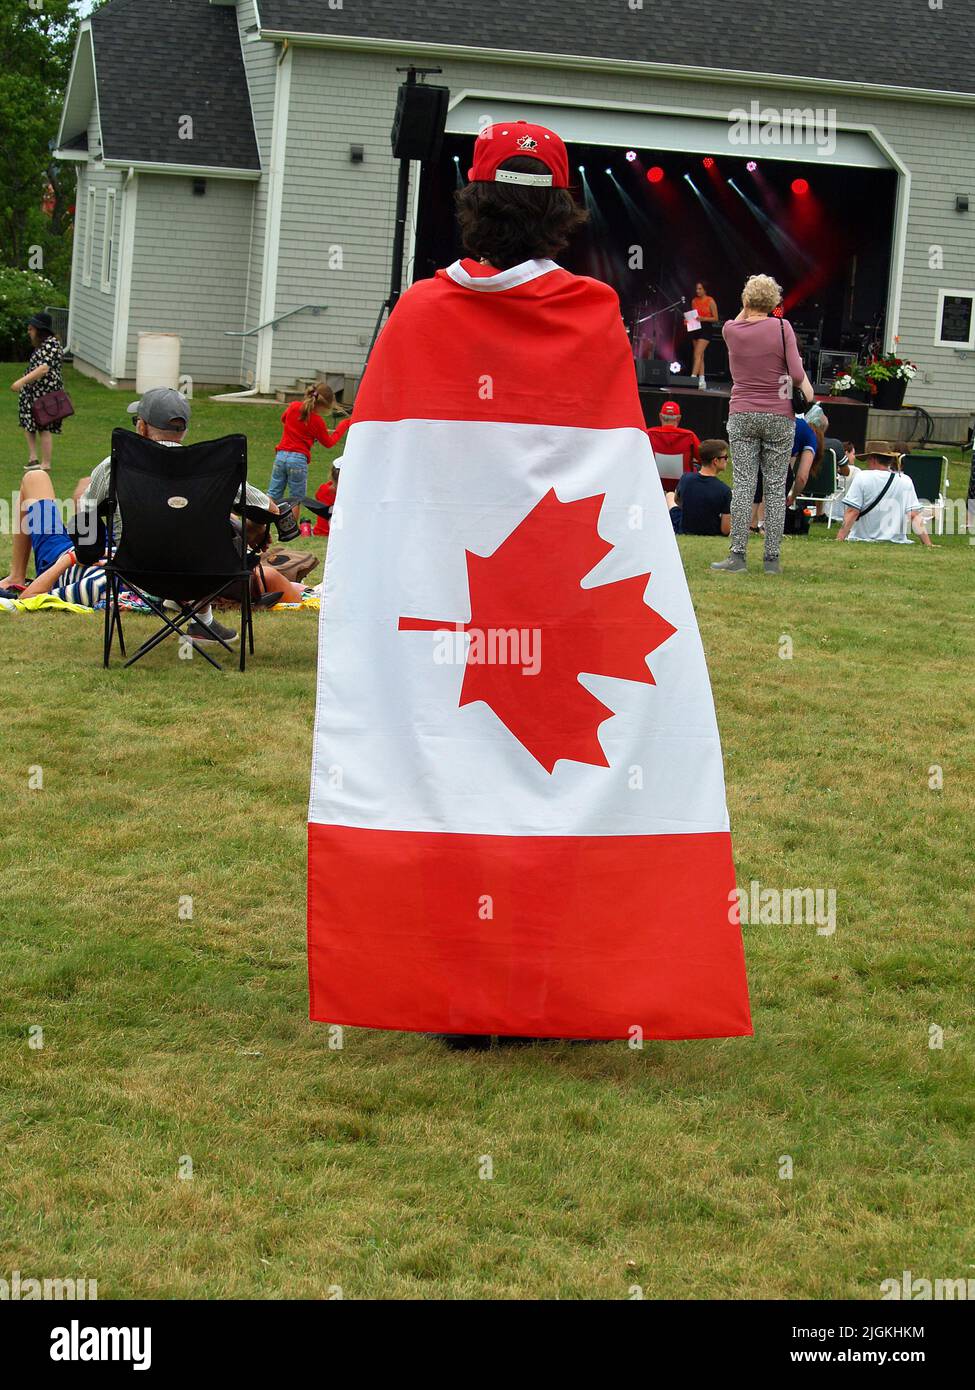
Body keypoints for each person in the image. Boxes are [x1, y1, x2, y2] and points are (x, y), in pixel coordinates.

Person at [306, 120, 750, 1052]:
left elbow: (377, 484)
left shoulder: (418, 317)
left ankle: (463, 999)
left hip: (448, 619)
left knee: (455, 777)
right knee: (561, 778)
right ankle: (558, 983)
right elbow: (613, 484)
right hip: (566, 607)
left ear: (471, 203)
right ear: (558, 214)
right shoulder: (588, 312)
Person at [81, 389, 280, 643]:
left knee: (187, 532)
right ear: (183, 431)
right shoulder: (212, 469)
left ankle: (199, 620)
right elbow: (271, 509)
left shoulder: (114, 466)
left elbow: (84, 513)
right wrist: (258, 529)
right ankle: (202, 621)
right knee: (228, 529)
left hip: (137, 569)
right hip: (207, 573)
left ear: (141, 427)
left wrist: (89, 553)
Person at [711, 274, 815, 575]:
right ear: (774, 302)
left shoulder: (731, 330)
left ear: (745, 300)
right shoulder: (783, 328)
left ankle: (737, 556)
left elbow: (737, 319)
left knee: (743, 485)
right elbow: (796, 373)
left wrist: (746, 305)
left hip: (742, 412)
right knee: (774, 486)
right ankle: (771, 559)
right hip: (779, 415)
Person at [269, 382, 350, 526]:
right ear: (324, 405)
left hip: (280, 456)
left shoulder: (293, 406)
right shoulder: (317, 420)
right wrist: (342, 426)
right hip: (298, 460)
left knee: (273, 494)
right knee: (296, 498)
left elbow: (284, 419)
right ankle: (291, 529)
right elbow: (329, 443)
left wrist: (302, 433)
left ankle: (262, 524)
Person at [835, 441, 933, 546]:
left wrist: (839, 538)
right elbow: (914, 515)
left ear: (872, 459)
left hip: (862, 538)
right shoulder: (905, 480)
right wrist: (928, 544)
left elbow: (852, 511)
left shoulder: (862, 477)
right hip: (896, 541)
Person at [11, 311, 66, 473]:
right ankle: (33, 458)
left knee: (44, 427)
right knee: (29, 424)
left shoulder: (52, 344)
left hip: (45, 393)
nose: (29, 332)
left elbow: (43, 369)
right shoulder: (42, 345)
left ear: (40, 330)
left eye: (31, 329)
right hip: (32, 392)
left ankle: (46, 463)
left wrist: (21, 381)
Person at [667, 439, 732, 535]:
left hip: (684, 527)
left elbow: (677, 501)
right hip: (711, 530)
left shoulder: (685, 478)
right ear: (715, 461)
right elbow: (725, 530)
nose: (727, 460)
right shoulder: (725, 491)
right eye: (725, 457)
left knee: (670, 495)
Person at [647, 401, 700, 492]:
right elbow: (703, 458)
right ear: (678, 418)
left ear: (660, 416)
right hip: (683, 485)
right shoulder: (690, 436)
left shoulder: (649, 433)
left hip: (654, 482)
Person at [689, 280, 719, 388]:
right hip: (695, 328)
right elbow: (693, 315)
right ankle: (702, 381)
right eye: (697, 289)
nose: (697, 291)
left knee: (697, 354)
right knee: (700, 356)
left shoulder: (710, 301)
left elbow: (716, 318)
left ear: (705, 289)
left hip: (706, 329)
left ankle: (692, 379)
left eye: (700, 289)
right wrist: (688, 320)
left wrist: (704, 318)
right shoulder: (694, 301)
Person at [824, 441, 861, 523]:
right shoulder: (855, 472)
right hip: (844, 512)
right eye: (853, 454)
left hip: (826, 511)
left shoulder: (827, 470)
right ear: (846, 453)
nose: (854, 457)